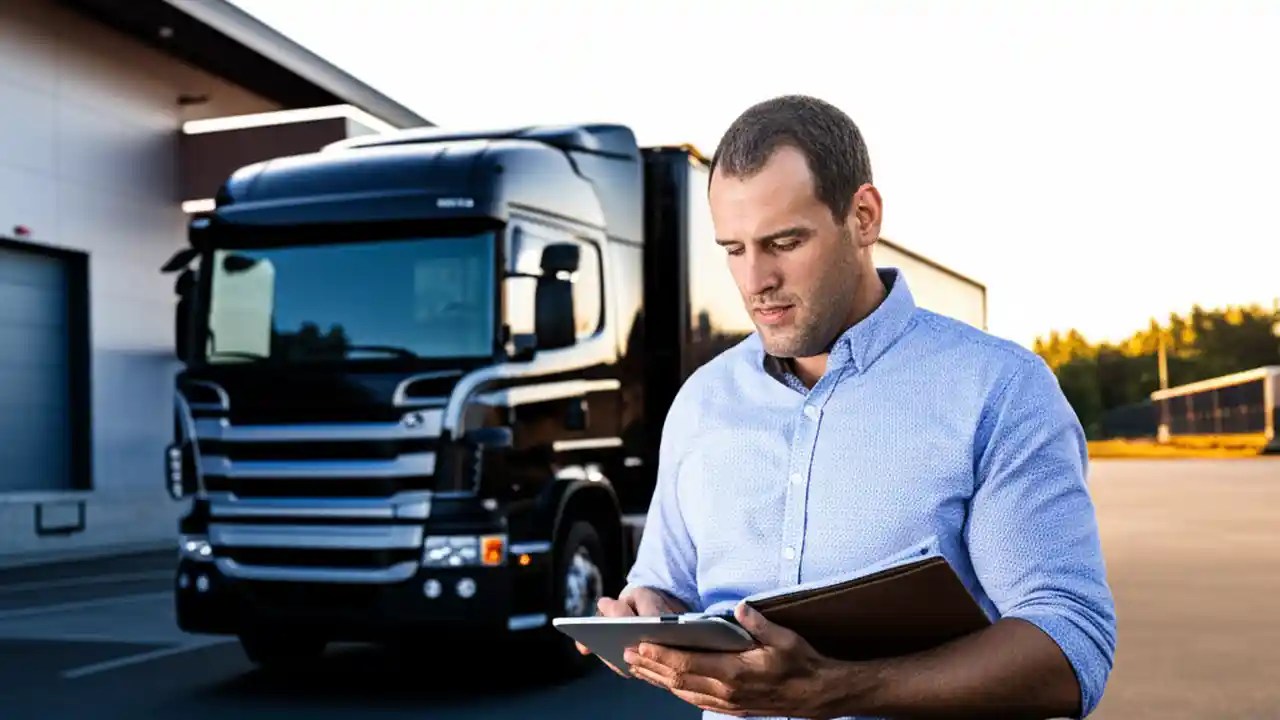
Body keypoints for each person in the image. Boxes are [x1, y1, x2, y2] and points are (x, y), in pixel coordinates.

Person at [577, 95, 1117, 720]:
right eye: (733, 249)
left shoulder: (998, 389)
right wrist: (649, 612)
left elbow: (1070, 646)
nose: (756, 281)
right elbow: (668, 586)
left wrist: (835, 689)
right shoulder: (702, 401)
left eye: (784, 241)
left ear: (862, 217)